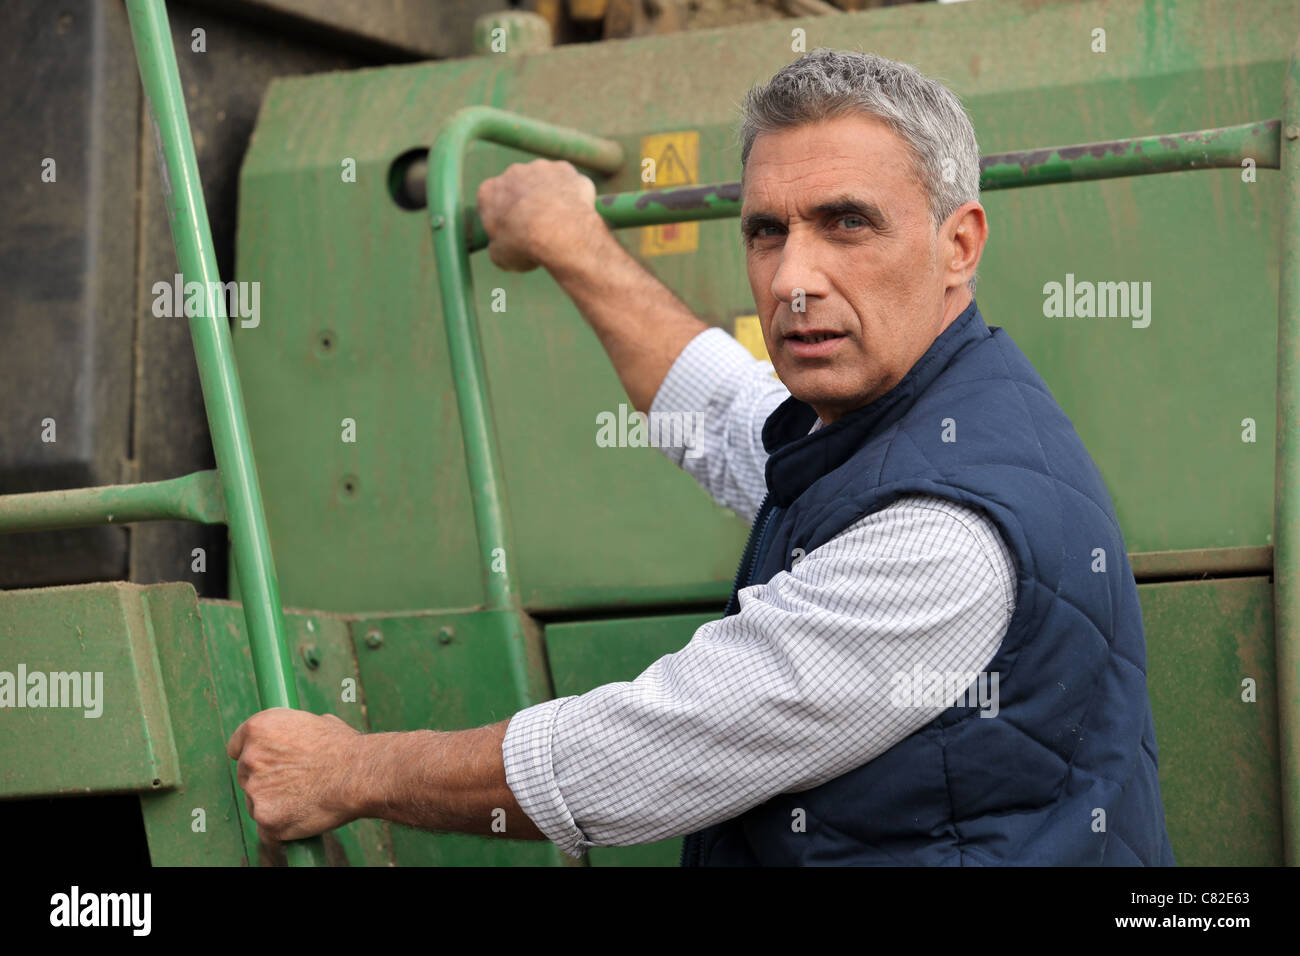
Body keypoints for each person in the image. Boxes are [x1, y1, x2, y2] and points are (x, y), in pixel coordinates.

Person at [227, 48, 1175, 866]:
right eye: (768, 230)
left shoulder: (941, 535)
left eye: (847, 223)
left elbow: (632, 761)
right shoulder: (903, 421)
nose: (795, 280)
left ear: (958, 243)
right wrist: (574, 246)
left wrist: (348, 770)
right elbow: (725, 410)